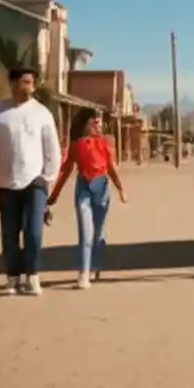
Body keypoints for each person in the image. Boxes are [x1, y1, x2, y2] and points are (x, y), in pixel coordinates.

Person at [0, 66, 62, 296]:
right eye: (25, 82)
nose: (30, 87)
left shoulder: (41, 113)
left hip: (35, 182)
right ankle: (12, 277)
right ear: (13, 83)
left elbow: (53, 151)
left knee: (34, 231)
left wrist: (47, 177)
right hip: (6, 182)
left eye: (32, 82)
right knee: (9, 232)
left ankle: (33, 275)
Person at [48, 108, 127, 289]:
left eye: (99, 122)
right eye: (94, 122)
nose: (98, 126)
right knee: (85, 231)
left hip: (102, 189)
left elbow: (111, 168)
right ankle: (83, 271)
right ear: (86, 124)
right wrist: (54, 196)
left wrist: (121, 189)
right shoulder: (76, 145)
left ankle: (95, 264)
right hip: (83, 187)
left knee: (98, 232)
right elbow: (66, 171)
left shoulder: (106, 142)